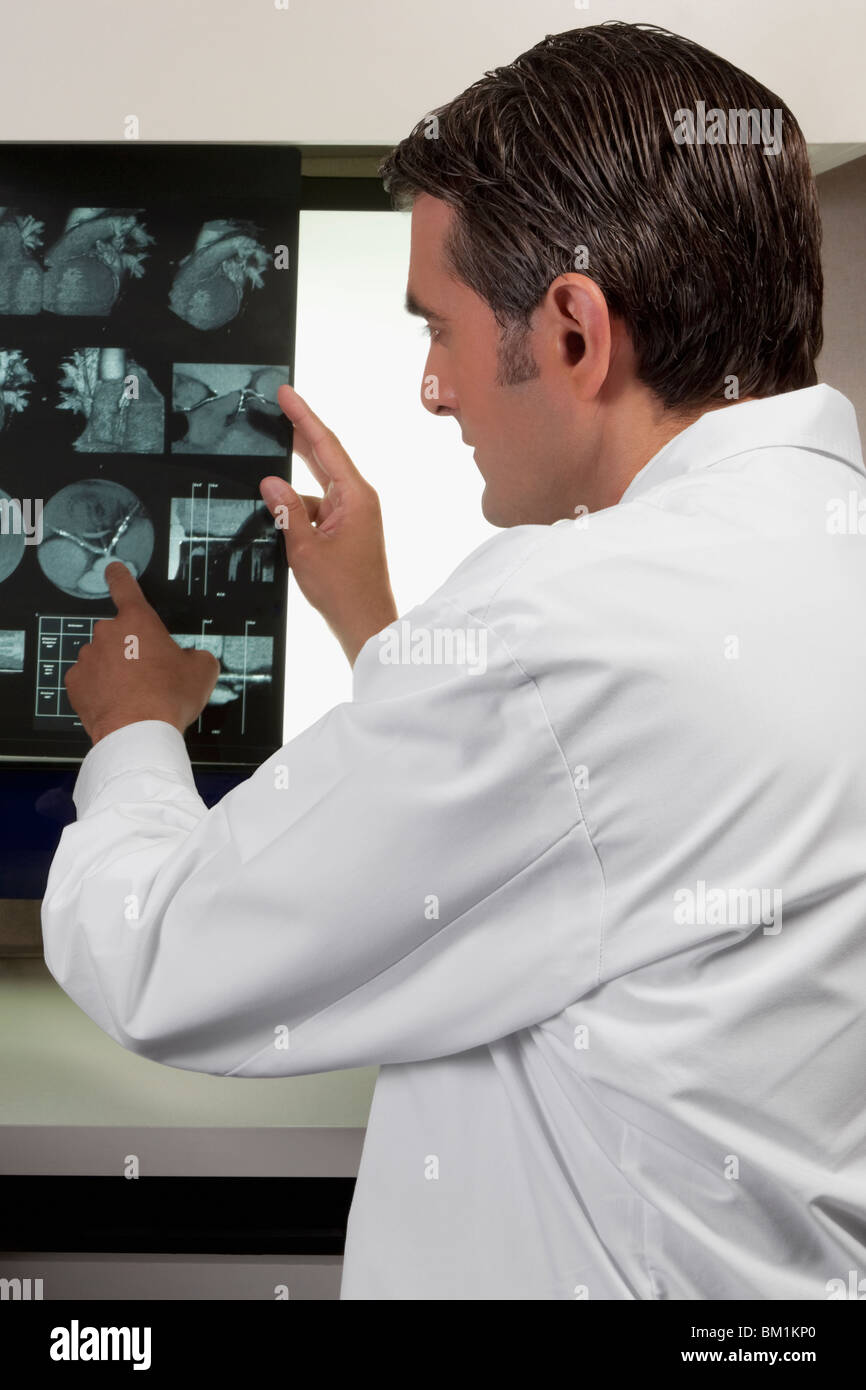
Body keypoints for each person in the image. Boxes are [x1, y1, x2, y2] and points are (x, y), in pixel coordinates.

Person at [41, 21, 866, 1300]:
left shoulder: (568, 625)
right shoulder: (812, 557)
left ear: (577, 331)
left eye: (439, 328)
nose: (432, 390)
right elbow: (575, 847)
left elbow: (159, 960)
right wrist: (382, 633)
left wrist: (134, 729)